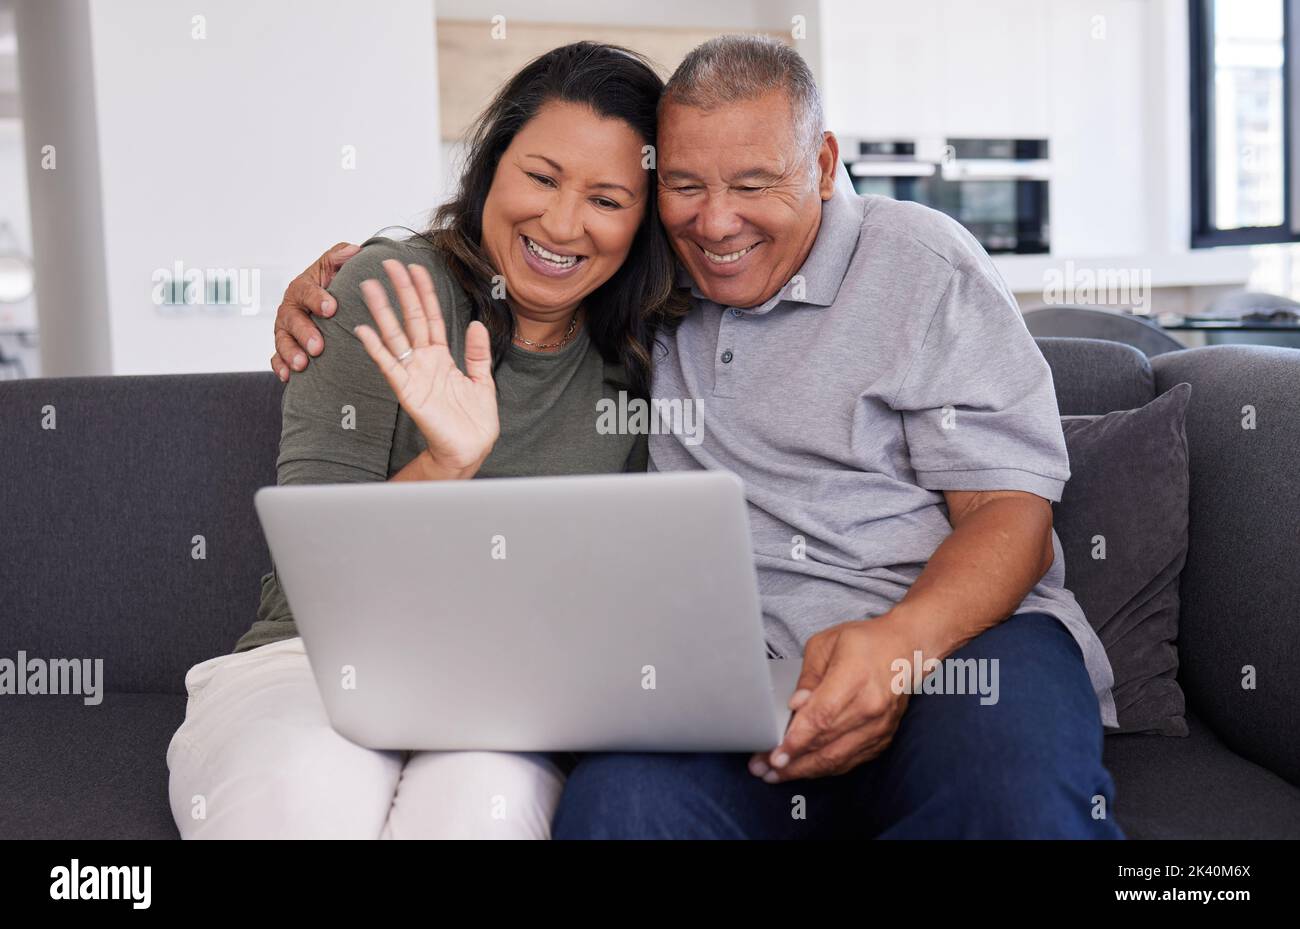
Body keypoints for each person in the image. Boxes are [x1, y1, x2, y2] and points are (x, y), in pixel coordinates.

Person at [272, 36, 1123, 839]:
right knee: (618, 811)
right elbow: (544, 243)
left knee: (1013, 801)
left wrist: (901, 645)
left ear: (823, 167)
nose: (718, 224)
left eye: (755, 183)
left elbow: (1010, 509)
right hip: (728, 679)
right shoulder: (649, 282)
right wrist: (338, 282)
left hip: (954, 644)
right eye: (685, 186)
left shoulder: (921, 264)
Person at [166, 41, 686, 839]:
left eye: (608, 199)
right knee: (305, 796)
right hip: (310, 664)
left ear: (647, 220)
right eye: (541, 176)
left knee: (481, 808)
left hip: (512, 695)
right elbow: (321, 582)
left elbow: (798, 214)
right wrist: (446, 463)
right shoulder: (387, 291)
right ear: (490, 166)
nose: (560, 222)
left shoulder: (658, 345)